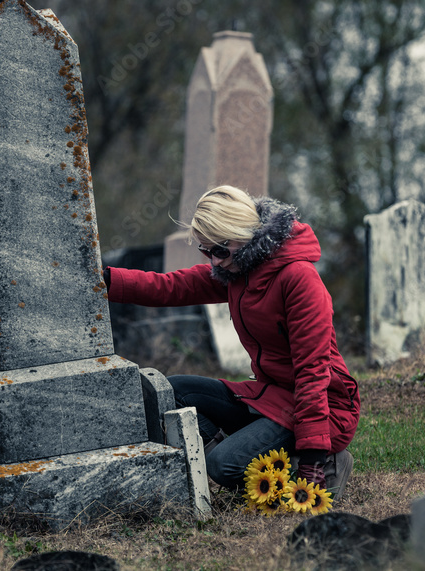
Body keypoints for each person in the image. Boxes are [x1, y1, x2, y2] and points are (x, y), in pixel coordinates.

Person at [104, 185, 359, 501]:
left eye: (220, 250)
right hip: (271, 395)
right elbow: (170, 287)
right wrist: (104, 280)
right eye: (206, 251)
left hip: (327, 407)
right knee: (174, 391)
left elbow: (313, 373)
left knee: (223, 465)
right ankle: (251, 451)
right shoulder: (239, 270)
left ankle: (328, 461)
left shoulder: (299, 279)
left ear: (243, 234)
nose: (215, 261)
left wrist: (313, 455)